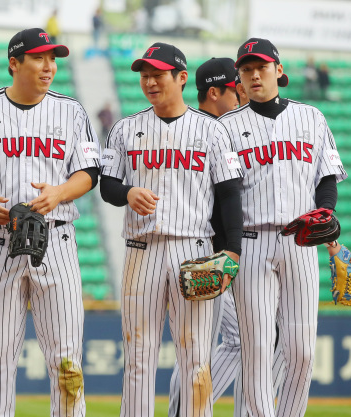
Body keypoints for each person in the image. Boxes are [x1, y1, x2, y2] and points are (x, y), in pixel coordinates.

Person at [0, 28, 101, 417]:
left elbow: (89, 172)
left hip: (57, 242)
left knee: (66, 360)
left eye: (53, 59)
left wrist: (59, 193)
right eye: (39, 58)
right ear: (14, 63)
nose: (49, 66)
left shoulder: (71, 110)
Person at [100, 42, 243, 417]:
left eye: (158, 75)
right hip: (141, 249)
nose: (149, 82)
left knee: (196, 355)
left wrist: (232, 250)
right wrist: (128, 192)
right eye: (145, 75)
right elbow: (107, 186)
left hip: (194, 249)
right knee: (138, 354)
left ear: (181, 77)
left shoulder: (212, 131)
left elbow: (230, 194)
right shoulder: (125, 129)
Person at [218, 38, 347, 417]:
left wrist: (325, 213)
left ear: (279, 69)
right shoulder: (226, 127)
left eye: (261, 67)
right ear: (239, 79)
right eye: (246, 70)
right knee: (257, 349)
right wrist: (227, 245)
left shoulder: (312, 118)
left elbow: (326, 177)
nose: (255, 75)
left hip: (300, 242)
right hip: (251, 243)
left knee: (302, 351)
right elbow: (224, 194)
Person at [167, 57, 286, 417]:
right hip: (210, 254)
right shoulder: (203, 132)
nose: (242, 96)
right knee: (219, 344)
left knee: (206, 347)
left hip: (224, 253)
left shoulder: (223, 130)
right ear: (215, 92)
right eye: (236, 90)